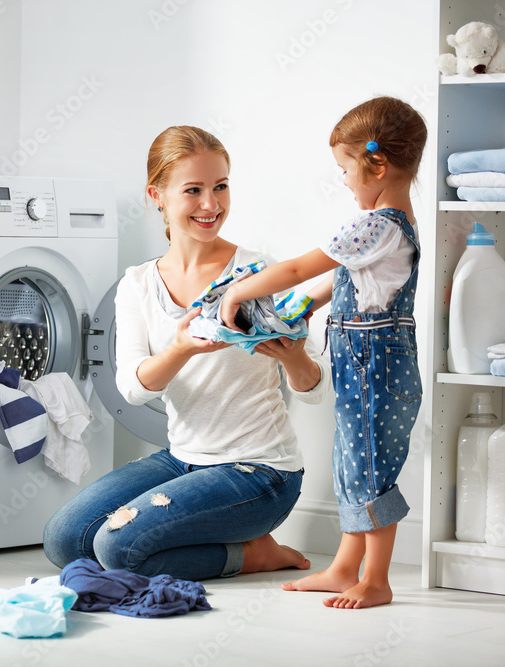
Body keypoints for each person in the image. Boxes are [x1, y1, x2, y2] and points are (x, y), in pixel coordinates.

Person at [42, 125, 330, 581]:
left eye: (220, 187)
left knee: (116, 548)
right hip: (183, 459)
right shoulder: (138, 283)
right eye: (193, 190)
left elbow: (314, 391)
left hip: (260, 472)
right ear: (156, 195)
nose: (211, 205)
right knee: (64, 540)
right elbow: (134, 388)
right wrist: (180, 347)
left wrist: (292, 356)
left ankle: (255, 553)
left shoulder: (257, 273)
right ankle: (222, 542)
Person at [217, 96, 427, 608]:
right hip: (369, 362)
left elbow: (296, 269)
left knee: (371, 469)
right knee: (353, 464)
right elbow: (346, 281)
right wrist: (307, 306)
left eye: (344, 169)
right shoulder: (393, 224)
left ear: (375, 164)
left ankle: (376, 580)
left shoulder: (374, 225)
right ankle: (343, 568)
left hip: (375, 365)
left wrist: (238, 293)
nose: (344, 180)